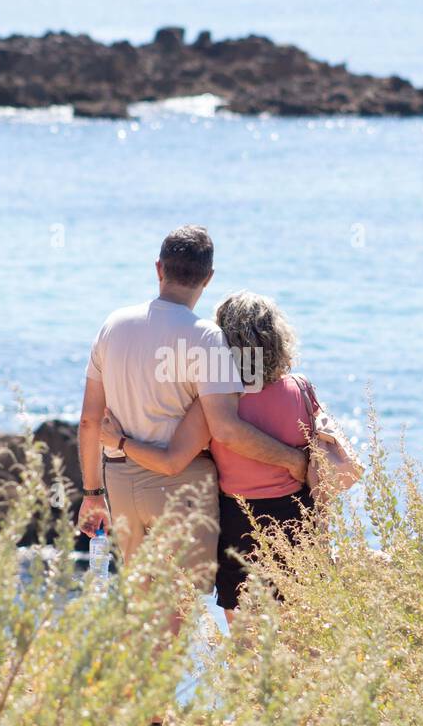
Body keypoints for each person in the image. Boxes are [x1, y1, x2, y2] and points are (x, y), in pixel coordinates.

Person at [77, 228, 307, 599]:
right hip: (178, 485)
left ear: (159, 269)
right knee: (175, 613)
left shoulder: (113, 324)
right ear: (208, 277)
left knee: (142, 608)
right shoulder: (205, 336)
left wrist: (91, 494)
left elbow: (89, 420)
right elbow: (226, 429)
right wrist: (293, 460)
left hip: (119, 481)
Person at [100, 290, 316, 621]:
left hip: (238, 519)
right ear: (277, 338)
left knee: (245, 642)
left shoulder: (216, 403)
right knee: (298, 634)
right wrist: (294, 462)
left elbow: (174, 460)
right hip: (297, 516)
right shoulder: (300, 389)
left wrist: (121, 441)